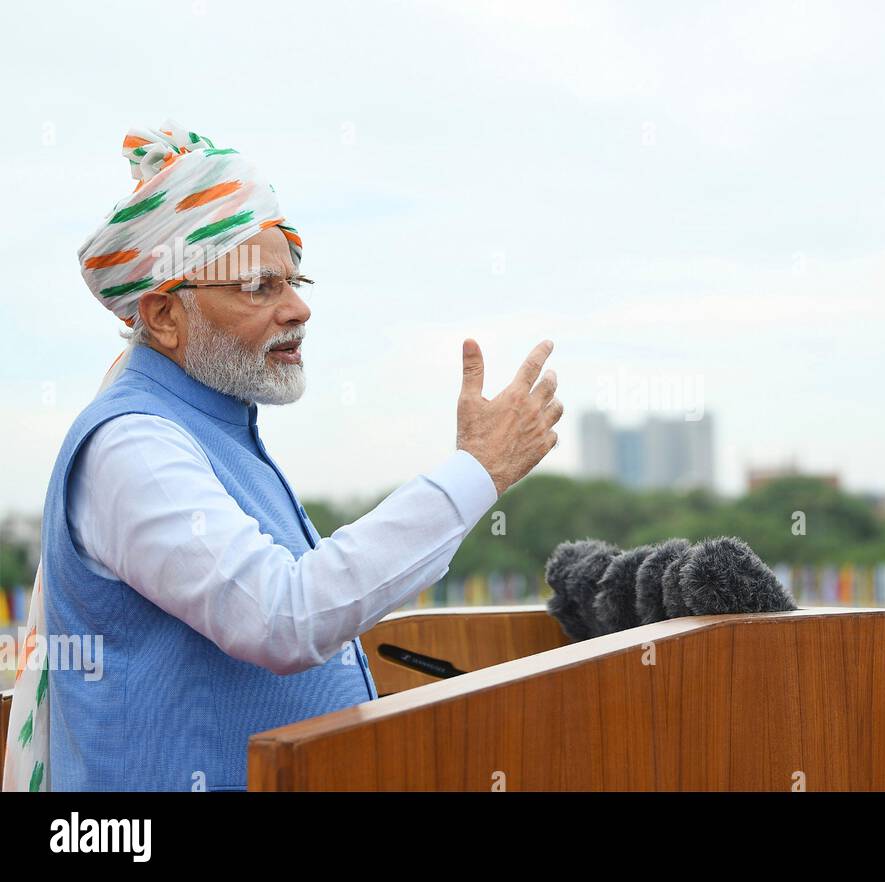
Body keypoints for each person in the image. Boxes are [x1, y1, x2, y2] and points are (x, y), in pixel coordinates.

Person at [2, 121, 562, 791]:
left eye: (296, 281)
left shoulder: (211, 424)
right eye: (260, 288)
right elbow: (283, 617)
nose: (299, 309)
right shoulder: (134, 447)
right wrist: (477, 470)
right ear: (164, 317)